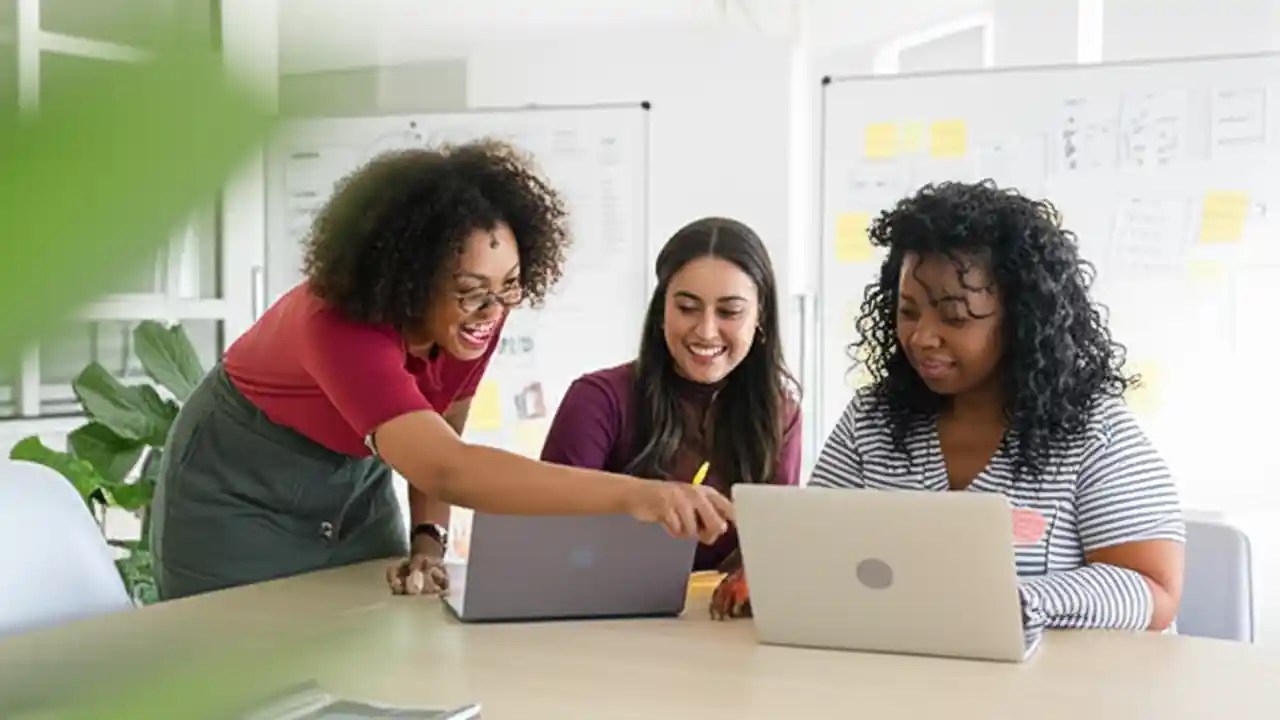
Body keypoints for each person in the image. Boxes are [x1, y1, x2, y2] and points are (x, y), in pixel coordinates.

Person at [150, 140, 733, 601]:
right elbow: (449, 467)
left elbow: (440, 428)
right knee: (239, 670)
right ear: (408, 278)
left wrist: (428, 543)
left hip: (356, 477)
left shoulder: (478, 315)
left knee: (374, 641)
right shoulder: (336, 323)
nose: (492, 312)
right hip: (238, 483)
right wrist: (638, 497)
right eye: (470, 291)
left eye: (508, 288)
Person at [809, 181, 1185, 638]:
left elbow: (1153, 592)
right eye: (908, 312)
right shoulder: (871, 419)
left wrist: (1012, 603)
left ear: (1022, 321)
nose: (923, 337)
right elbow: (814, 546)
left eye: (955, 317)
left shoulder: (1093, 431)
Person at [537, 217, 801, 620]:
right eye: (687, 308)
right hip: (598, 623)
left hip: (716, 633)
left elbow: (771, 548)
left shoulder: (780, 413)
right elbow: (546, 533)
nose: (706, 331)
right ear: (662, 310)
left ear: (759, 317)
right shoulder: (598, 400)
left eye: (730, 311)